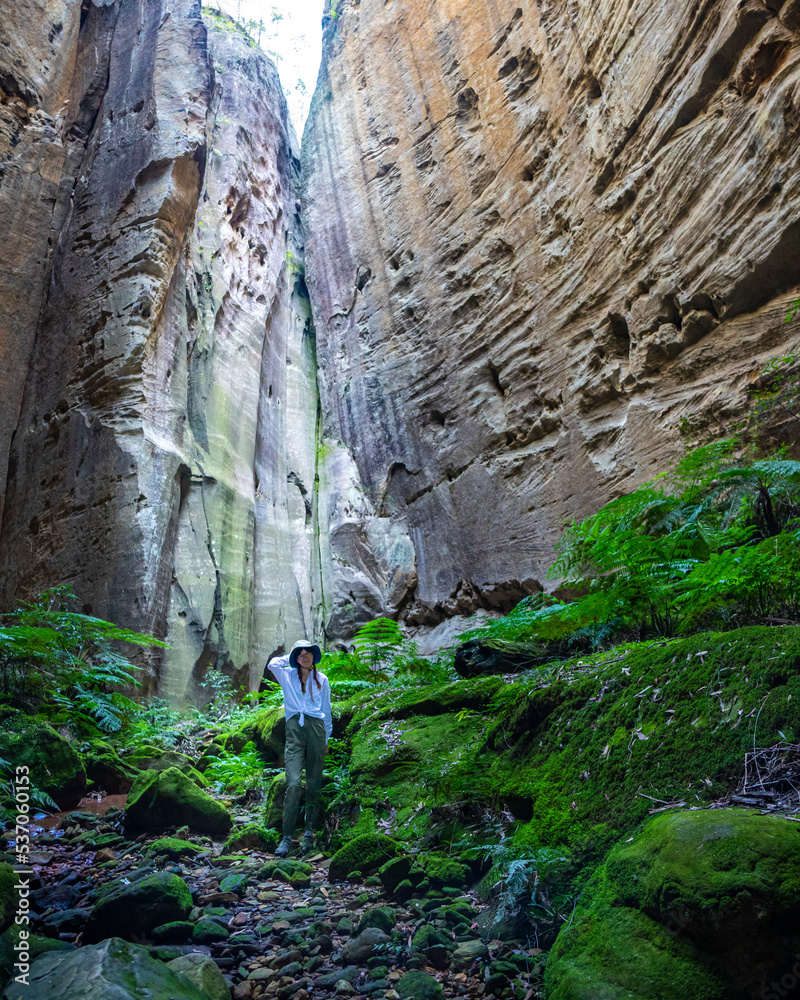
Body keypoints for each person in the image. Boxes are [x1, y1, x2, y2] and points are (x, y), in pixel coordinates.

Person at [264, 639, 332, 857]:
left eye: (309, 652)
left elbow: (327, 711)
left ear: (314, 656)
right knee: (293, 783)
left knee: (313, 784)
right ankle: (286, 836)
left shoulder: (322, 679)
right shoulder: (288, 675)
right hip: (294, 729)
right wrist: (293, 655)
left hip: (317, 730)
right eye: (301, 653)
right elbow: (273, 664)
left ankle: (310, 834)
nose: (305, 655)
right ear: (295, 657)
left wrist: (327, 739)